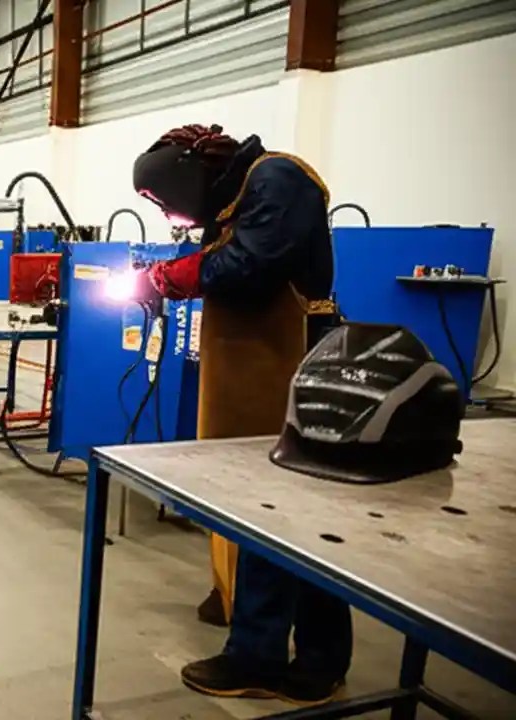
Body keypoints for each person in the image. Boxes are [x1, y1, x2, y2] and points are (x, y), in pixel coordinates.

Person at [131, 124, 352, 704]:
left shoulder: (279, 179)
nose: (171, 217)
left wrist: (166, 277)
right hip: (256, 369)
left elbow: (248, 266)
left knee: (295, 516)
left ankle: (308, 660)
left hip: (296, 364)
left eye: (166, 204)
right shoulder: (237, 198)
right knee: (256, 508)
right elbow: (224, 257)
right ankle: (249, 630)